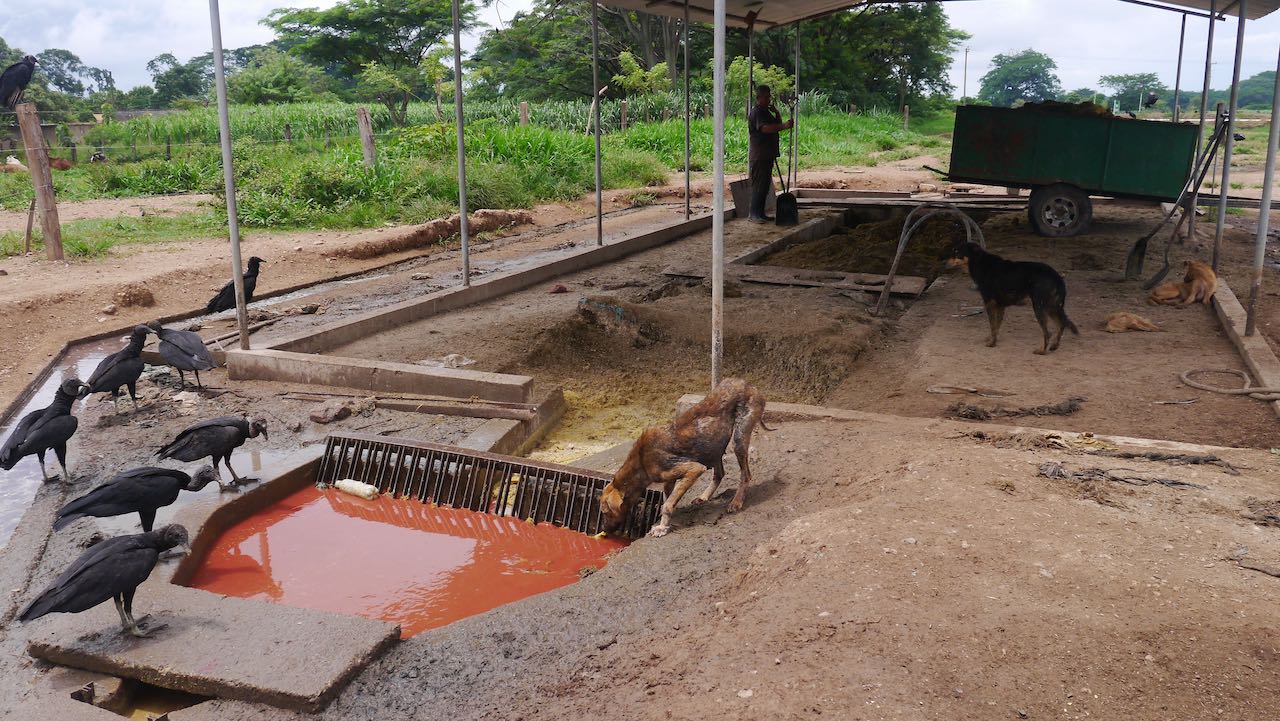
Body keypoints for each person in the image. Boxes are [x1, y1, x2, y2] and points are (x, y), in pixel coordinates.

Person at [746, 85, 794, 224]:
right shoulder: (757, 113)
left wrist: (777, 113)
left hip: (767, 154)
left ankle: (760, 212)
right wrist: (784, 126)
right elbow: (765, 128)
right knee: (759, 185)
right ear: (758, 98)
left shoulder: (766, 112)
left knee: (765, 185)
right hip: (760, 155)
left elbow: (775, 124)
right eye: (766, 97)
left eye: (769, 97)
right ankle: (754, 214)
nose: (768, 100)